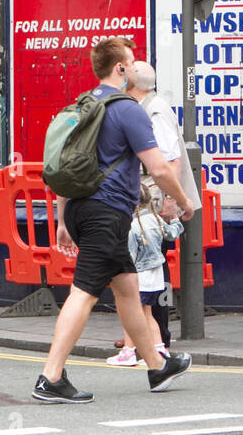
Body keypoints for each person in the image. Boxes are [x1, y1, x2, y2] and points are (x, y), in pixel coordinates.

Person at [32, 37, 195, 403]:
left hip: (81, 209)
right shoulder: (128, 109)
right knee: (83, 293)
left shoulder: (83, 106)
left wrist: (62, 221)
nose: (135, 68)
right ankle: (50, 376)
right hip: (107, 215)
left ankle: (157, 364)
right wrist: (183, 202)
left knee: (127, 288)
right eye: (132, 63)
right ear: (120, 69)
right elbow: (158, 168)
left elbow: (66, 169)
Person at [124, 61, 199, 350]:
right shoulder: (147, 108)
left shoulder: (155, 112)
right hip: (150, 205)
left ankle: (158, 338)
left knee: (152, 269)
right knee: (150, 269)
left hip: (155, 207)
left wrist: (171, 202)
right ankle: (144, 336)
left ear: (132, 87)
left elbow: (171, 162)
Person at [108, 190, 183, 366]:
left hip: (139, 276)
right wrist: (174, 217)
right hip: (156, 276)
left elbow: (129, 257)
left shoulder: (132, 225)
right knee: (147, 314)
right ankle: (159, 349)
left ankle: (128, 352)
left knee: (130, 312)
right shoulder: (155, 219)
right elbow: (172, 234)